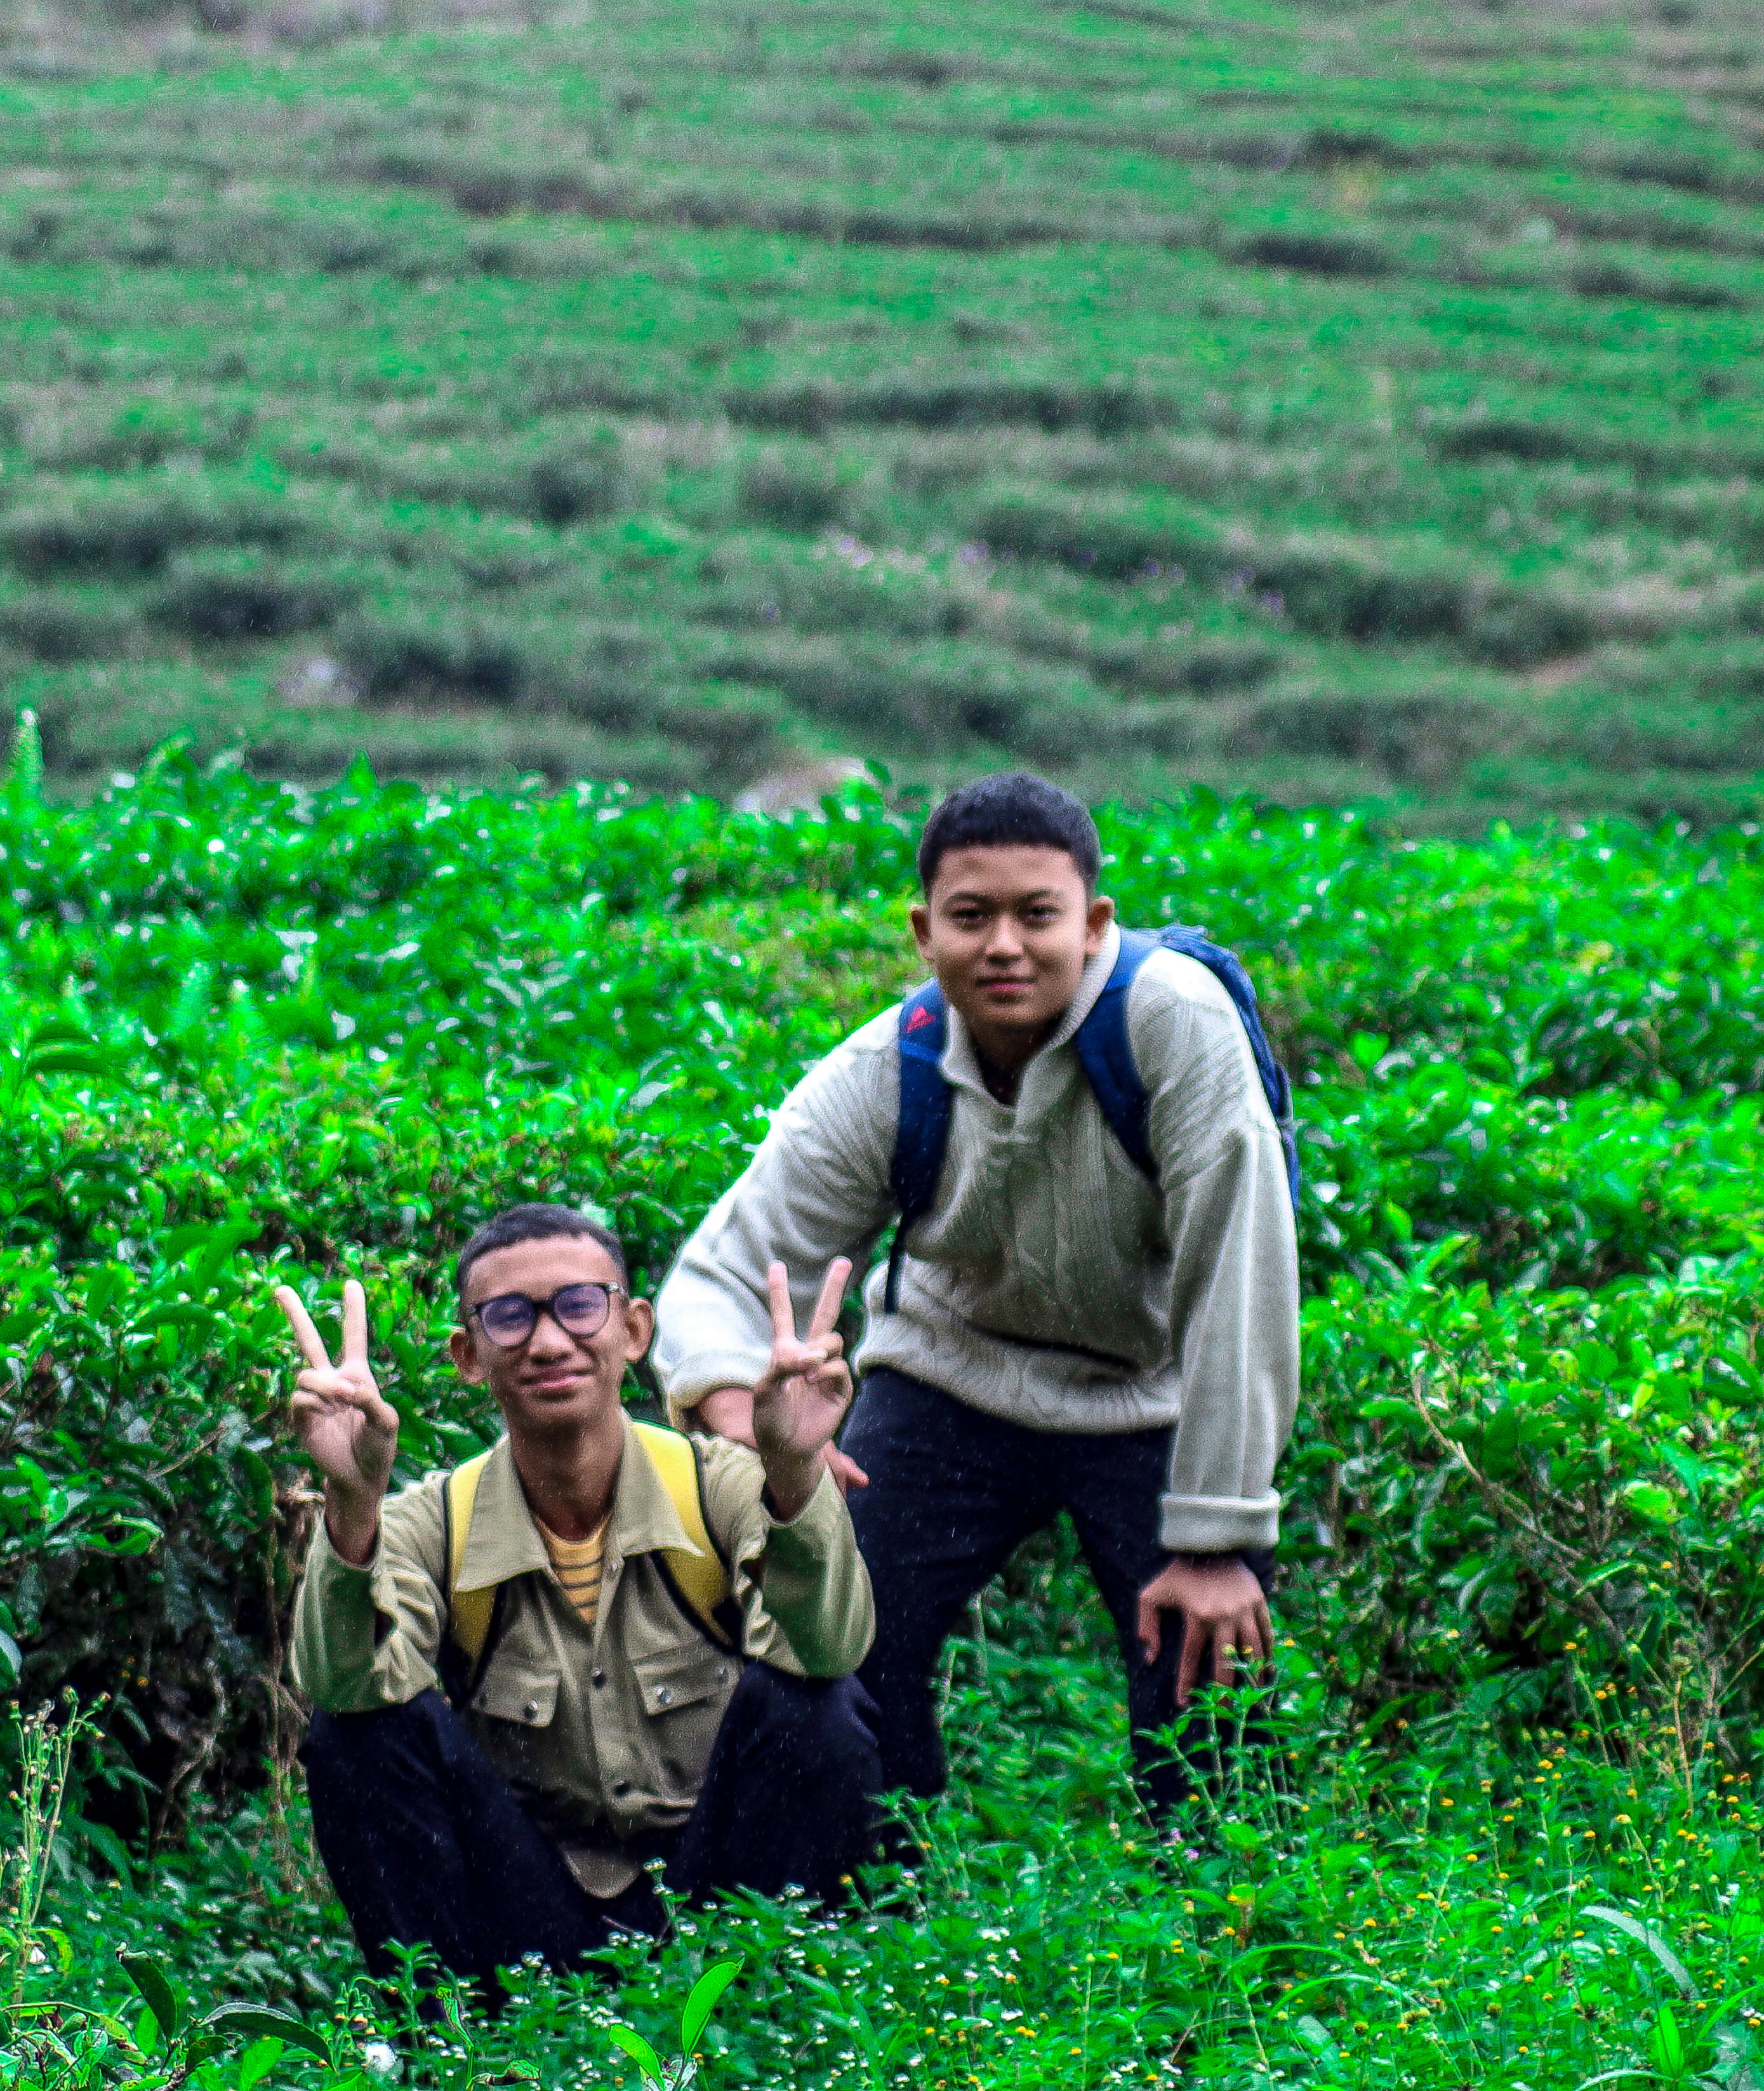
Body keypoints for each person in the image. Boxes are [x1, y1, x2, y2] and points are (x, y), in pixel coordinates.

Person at [653, 772, 1299, 1814]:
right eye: (969, 916)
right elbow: (722, 1270)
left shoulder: (1173, 1027)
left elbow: (1242, 1278)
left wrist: (1217, 1537)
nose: (1003, 944)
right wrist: (743, 1420)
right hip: (948, 1373)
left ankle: (1221, 1913)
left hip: (1153, 1391)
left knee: (1210, 1686)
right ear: (921, 930)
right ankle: (871, 1905)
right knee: (829, 1634)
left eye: (1035, 914)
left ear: (1092, 924)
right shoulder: (888, 1064)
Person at [285, 1203, 879, 1984]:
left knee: (819, 1712)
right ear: (468, 1355)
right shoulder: (437, 1523)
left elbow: (829, 1648)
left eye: (578, 1305)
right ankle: (453, 2051)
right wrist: (353, 1500)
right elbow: (341, 1686)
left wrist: (797, 1472)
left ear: (633, 1330)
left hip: (716, 1900)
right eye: (509, 1317)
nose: (549, 1341)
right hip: (526, 1918)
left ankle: (772, 2012)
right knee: (353, 1738)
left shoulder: (718, 1489)